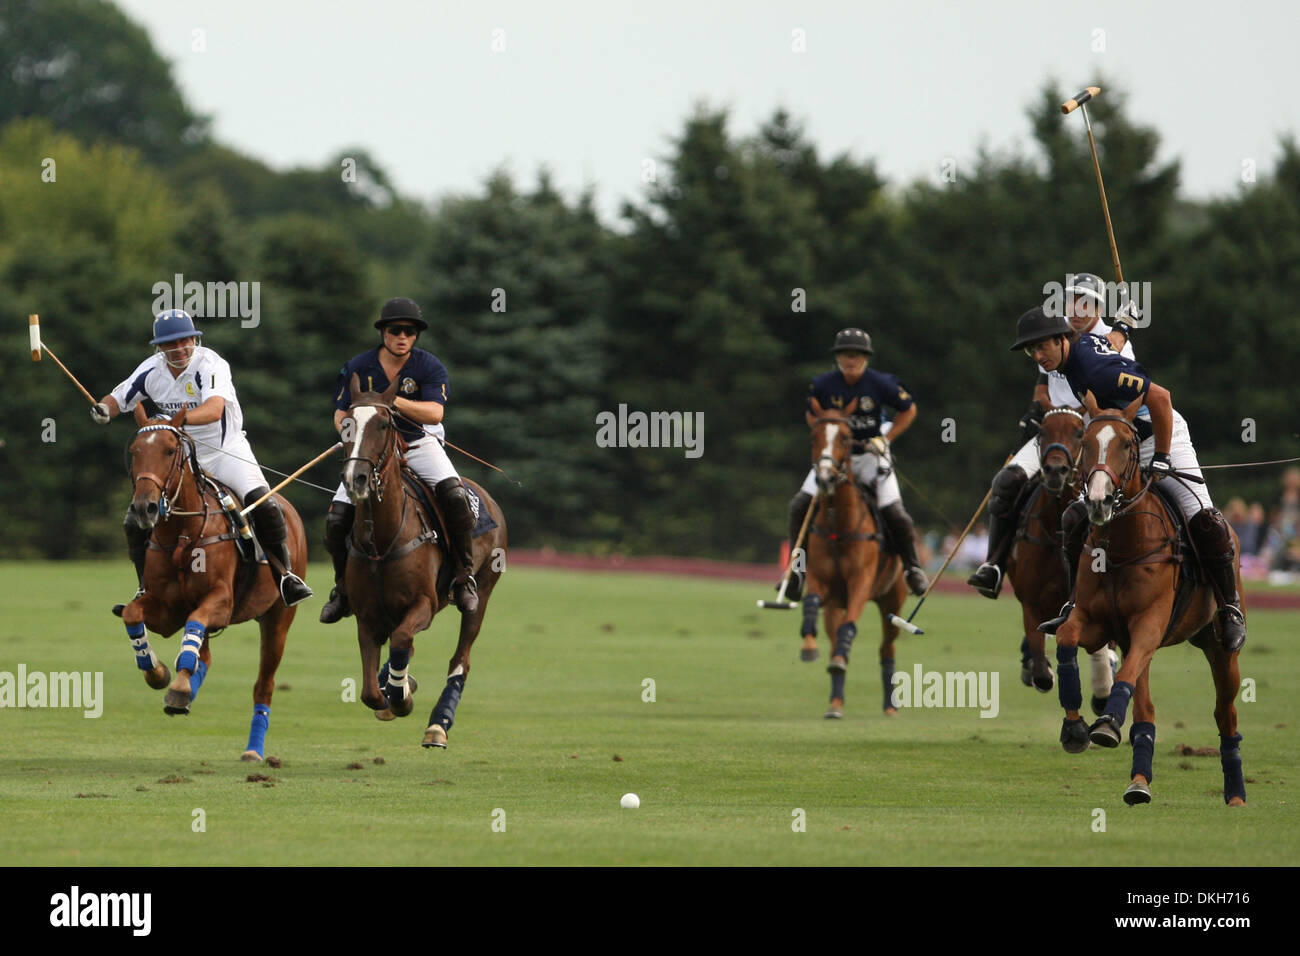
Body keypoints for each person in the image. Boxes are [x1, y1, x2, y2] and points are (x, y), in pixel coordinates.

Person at [1007, 305, 1246, 652]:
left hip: (1161, 434)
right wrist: (1123, 325)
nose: (1038, 356)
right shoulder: (1078, 353)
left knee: (1204, 518)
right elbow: (1113, 343)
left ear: (1063, 339)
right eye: (1031, 351)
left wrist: (1163, 456)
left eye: (1043, 346)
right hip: (1119, 442)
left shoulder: (1092, 369)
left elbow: (1161, 398)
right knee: (1075, 516)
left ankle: (1229, 608)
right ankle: (1075, 602)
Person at [92, 309, 313, 608]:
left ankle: (284, 575)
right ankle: (146, 587)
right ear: (159, 347)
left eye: (185, 341)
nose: (180, 348)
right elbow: (118, 399)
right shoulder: (151, 370)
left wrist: (176, 422)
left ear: (195, 339)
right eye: (170, 344)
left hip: (225, 451)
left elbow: (214, 409)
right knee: (136, 517)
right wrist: (103, 410)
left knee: (266, 504)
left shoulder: (210, 364)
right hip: (181, 456)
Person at [968, 273, 1135, 599]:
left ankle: (1119, 572)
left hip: (1094, 433)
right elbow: (1042, 391)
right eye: (1072, 300)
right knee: (1006, 481)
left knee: (1115, 494)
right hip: (1055, 428)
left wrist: (1124, 330)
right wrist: (1043, 413)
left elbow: (1119, 398)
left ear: (1099, 307)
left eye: (1084, 301)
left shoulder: (1117, 344)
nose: (1076, 307)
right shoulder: (1052, 336)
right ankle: (994, 565)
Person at [318, 297, 479, 622]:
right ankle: (343, 589)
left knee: (454, 495)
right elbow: (339, 414)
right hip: (371, 449)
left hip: (420, 443)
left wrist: (390, 403)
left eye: (410, 331)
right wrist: (353, 431)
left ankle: (464, 577)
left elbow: (435, 412)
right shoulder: (358, 366)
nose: (402, 336)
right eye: (395, 330)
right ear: (383, 332)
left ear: (416, 335)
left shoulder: (428, 366)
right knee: (337, 518)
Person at [784, 327, 929, 599]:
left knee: (895, 513)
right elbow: (810, 413)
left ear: (866, 358)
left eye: (857, 356)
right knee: (799, 505)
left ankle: (912, 568)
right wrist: (824, 439)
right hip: (836, 459)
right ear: (837, 358)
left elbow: (909, 410)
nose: (851, 361)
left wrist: (886, 438)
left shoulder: (881, 384)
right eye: (845, 356)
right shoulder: (824, 384)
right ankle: (797, 571)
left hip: (871, 456)